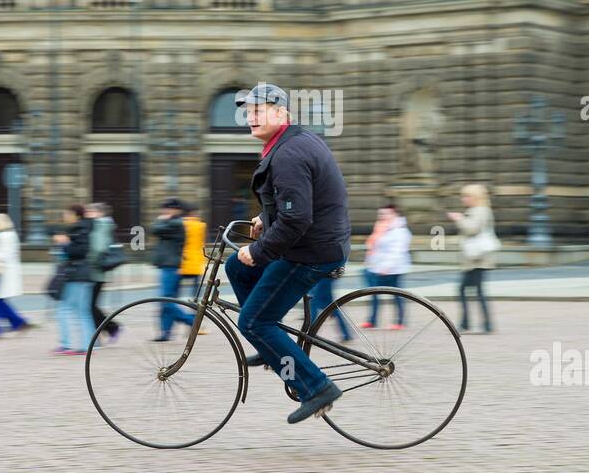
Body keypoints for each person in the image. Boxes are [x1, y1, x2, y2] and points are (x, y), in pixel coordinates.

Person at [225, 83, 351, 424]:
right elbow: (296, 204)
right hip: (314, 242)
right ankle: (273, 346)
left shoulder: (288, 154)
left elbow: (297, 217)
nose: (251, 117)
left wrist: (260, 250)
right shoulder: (289, 143)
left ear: (281, 114)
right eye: (248, 111)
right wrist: (265, 219)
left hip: (312, 251)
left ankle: (317, 387)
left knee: (252, 320)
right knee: (236, 268)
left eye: (259, 110)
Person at [448, 183, 497, 334]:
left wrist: (459, 218)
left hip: (478, 260)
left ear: (474, 197)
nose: (463, 199)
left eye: (466, 196)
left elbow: (472, 229)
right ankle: (481, 324)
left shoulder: (481, 211)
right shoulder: (478, 210)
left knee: (468, 290)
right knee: (472, 290)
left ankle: (471, 324)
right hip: (476, 259)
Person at [358, 202, 413, 330]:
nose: (382, 216)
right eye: (381, 213)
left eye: (386, 213)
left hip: (393, 269)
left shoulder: (400, 230)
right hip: (375, 267)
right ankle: (372, 320)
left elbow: (397, 251)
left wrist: (386, 267)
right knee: (373, 294)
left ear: (394, 214)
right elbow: (374, 246)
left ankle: (400, 321)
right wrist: (369, 262)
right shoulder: (382, 227)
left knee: (397, 295)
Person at [51, 205, 95, 356]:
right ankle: (86, 346)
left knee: (65, 309)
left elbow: (80, 251)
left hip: (76, 274)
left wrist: (65, 242)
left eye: (67, 213)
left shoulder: (79, 229)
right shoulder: (83, 228)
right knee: (83, 311)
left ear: (76, 215)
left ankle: (66, 344)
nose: (65, 216)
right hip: (82, 274)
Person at [0, 213, 30, 338]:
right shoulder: (8, 234)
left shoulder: (3, 236)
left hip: (1, 273)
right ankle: (18, 322)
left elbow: (4, 256)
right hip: (1, 273)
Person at [151, 197, 192, 341]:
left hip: (171, 266)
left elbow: (154, 229)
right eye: (164, 208)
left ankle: (191, 320)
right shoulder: (172, 222)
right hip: (168, 265)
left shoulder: (176, 223)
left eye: (168, 208)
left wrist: (162, 219)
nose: (165, 211)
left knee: (166, 301)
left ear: (177, 210)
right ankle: (165, 333)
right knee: (169, 301)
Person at [84, 202, 120, 341]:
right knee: (90, 305)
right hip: (95, 272)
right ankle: (107, 329)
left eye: (90, 211)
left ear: (99, 213)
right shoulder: (99, 225)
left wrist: (88, 261)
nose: (87, 214)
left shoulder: (101, 225)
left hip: (95, 272)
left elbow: (98, 248)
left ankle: (110, 328)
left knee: (89, 306)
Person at [177, 203, 207, 301]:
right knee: (196, 287)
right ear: (193, 213)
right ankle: (195, 303)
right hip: (196, 260)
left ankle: (173, 301)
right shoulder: (201, 226)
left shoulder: (181, 224)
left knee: (176, 285)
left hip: (183, 260)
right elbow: (202, 243)